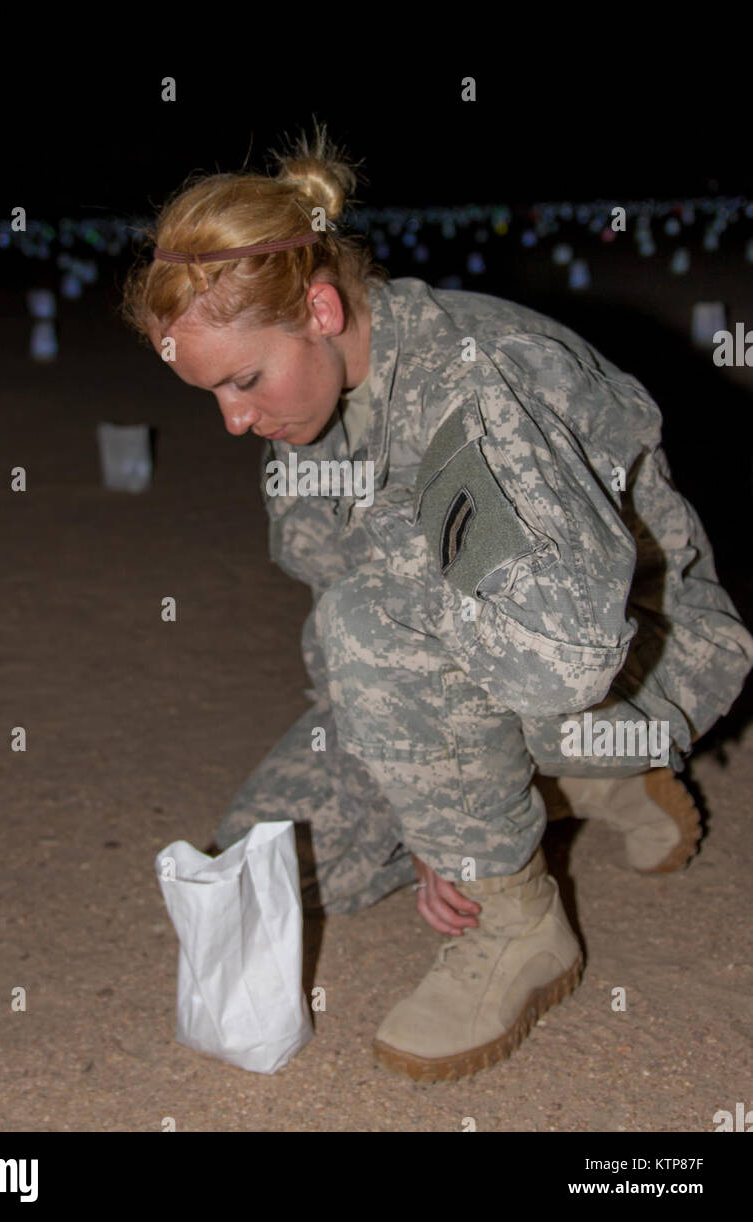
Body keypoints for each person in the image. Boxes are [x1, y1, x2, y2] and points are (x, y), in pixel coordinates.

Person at [120, 122, 753, 1082]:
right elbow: (338, 595)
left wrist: (455, 832)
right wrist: (428, 786)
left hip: (637, 663)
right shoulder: (316, 408)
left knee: (373, 629)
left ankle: (523, 922)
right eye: (214, 393)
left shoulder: (481, 383)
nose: (235, 418)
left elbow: (560, 652)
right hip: (470, 678)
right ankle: (547, 793)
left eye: (244, 380)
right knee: (263, 870)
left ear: (321, 308)